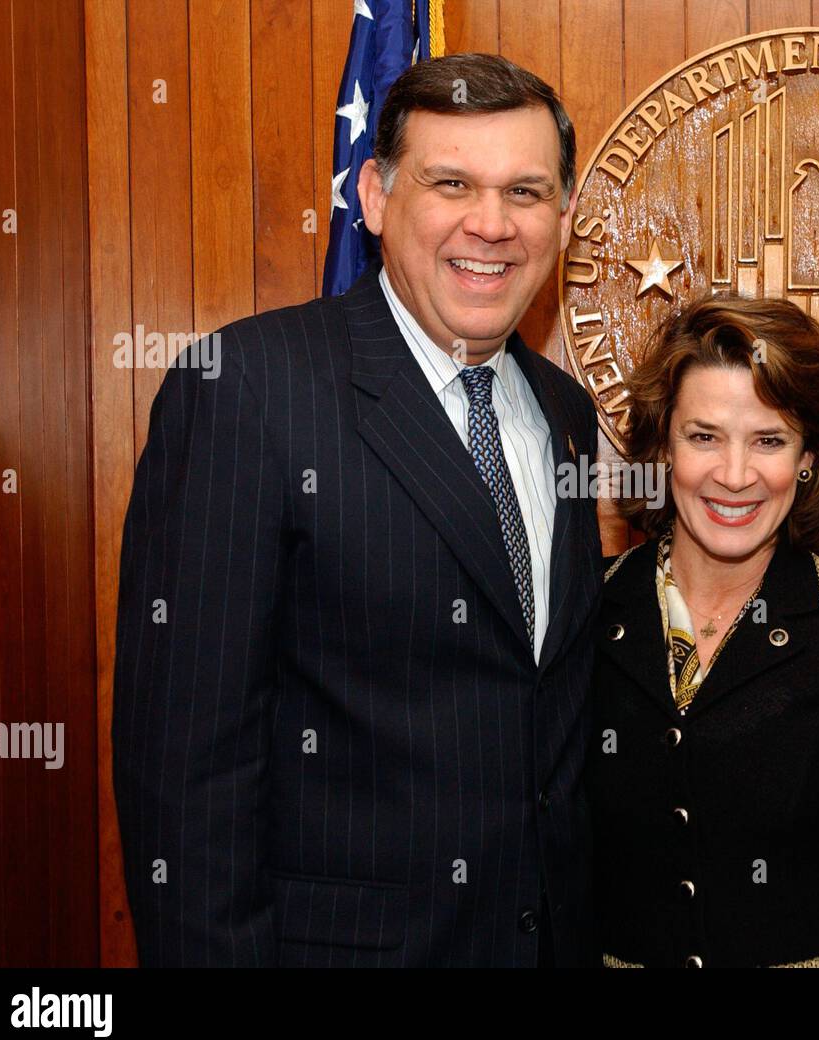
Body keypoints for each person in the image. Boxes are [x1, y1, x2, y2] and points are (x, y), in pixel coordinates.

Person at [112, 53, 603, 967]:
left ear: (565, 218)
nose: (489, 224)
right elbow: (186, 772)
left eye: (526, 192)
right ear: (374, 196)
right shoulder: (249, 391)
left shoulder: (564, 417)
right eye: (450, 182)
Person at [586, 294, 819, 967]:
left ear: (809, 459)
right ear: (660, 445)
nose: (735, 476)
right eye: (704, 436)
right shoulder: (582, 613)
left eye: (769, 439)